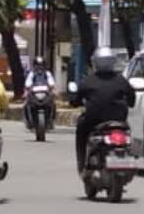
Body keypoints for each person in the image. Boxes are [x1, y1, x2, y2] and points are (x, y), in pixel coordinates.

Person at [69, 47, 136, 175]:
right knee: (128, 134)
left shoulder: (88, 81)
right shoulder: (121, 81)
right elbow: (132, 99)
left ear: (95, 62)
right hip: (119, 121)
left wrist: (74, 101)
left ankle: (82, 164)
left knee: (81, 129)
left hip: (94, 121)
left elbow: (75, 100)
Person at [23, 56, 56, 130]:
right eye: (38, 65)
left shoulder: (47, 74)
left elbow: (52, 84)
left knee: (53, 104)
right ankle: (29, 122)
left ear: (44, 66)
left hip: (45, 93)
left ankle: (51, 121)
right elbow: (27, 84)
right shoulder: (31, 74)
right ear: (34, 65)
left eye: (41, 65)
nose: (39, 67)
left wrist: (53, 90)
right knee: (26, 105)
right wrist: (26, 92)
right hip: (34, 93)